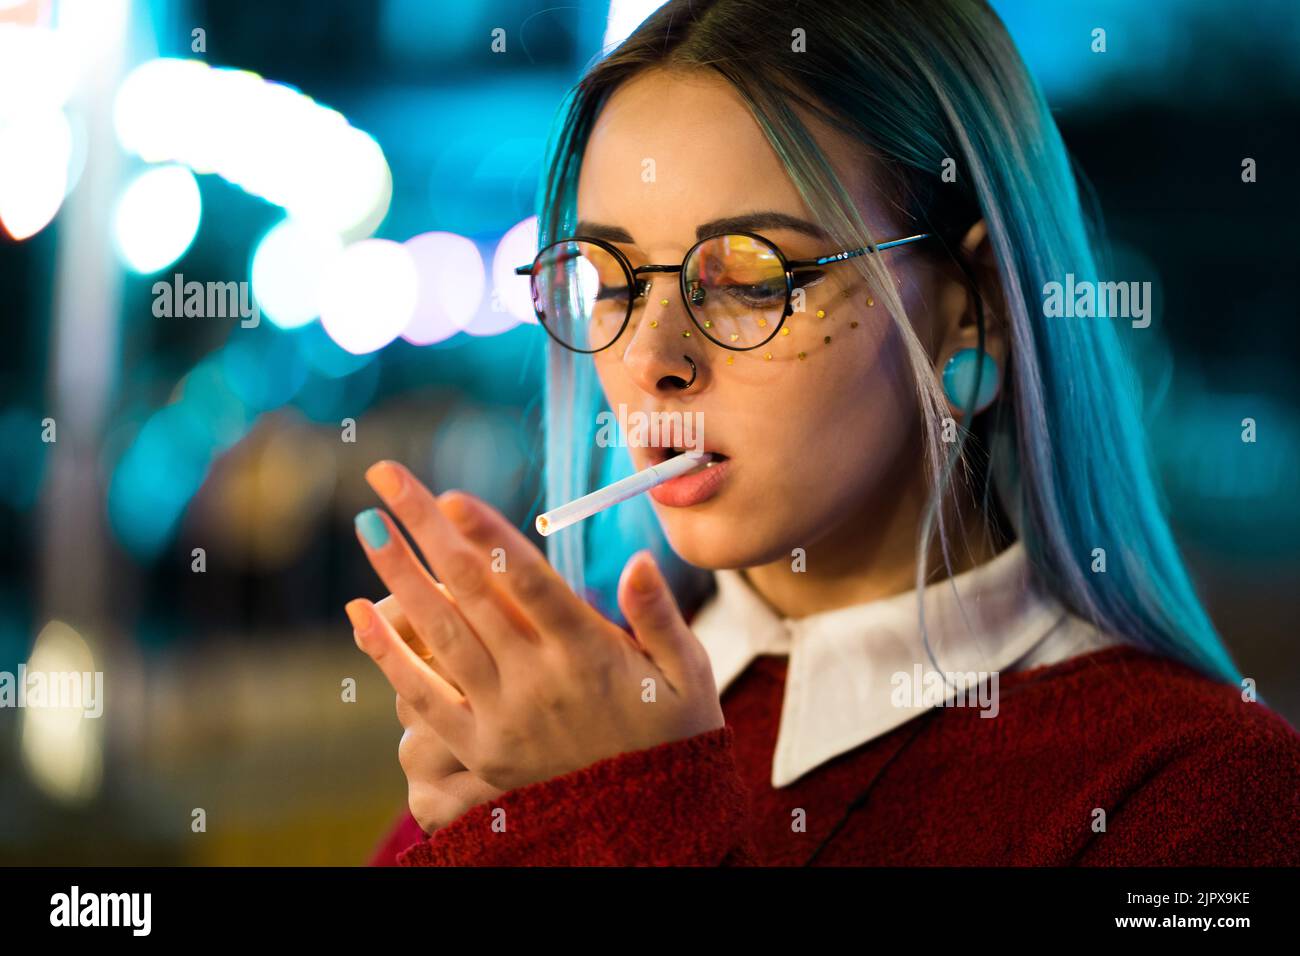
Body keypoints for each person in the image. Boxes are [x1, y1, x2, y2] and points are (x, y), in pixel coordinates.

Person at [346, 0, 1300, 866]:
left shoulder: (1200, 791)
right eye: (609, 277)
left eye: (756, 276)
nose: (653, 359)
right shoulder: (545, 719)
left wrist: (616, 823)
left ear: (979, 309)